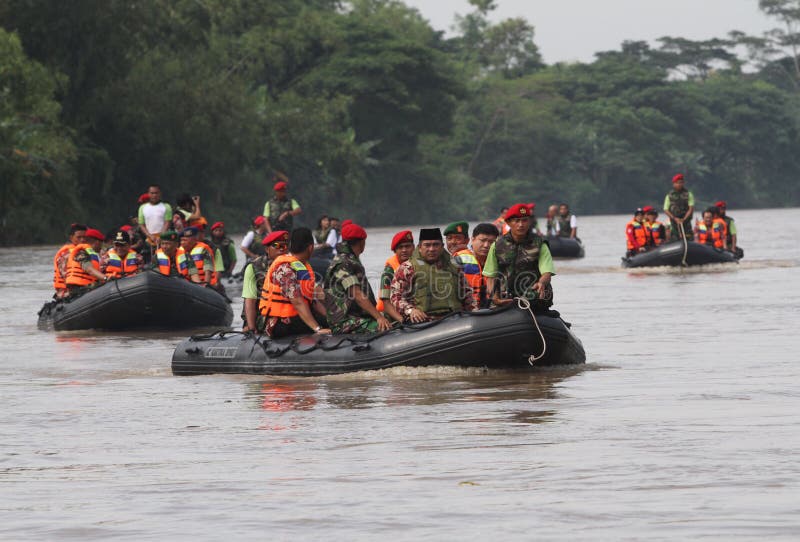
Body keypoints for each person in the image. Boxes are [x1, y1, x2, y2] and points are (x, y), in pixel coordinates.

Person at [390, 228, 477, 323]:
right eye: (427, 245)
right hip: (425, 322)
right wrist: (411, 310)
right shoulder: (407, 268)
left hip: (454, 318)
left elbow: (466, 292)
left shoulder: (453, 265)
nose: (431, 249)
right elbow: (396, 297)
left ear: (442, 246)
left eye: (436, 245)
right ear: (419, 247)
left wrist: (474, 311)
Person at [259, 227, 329, 338]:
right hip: (280, 323)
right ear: (311, 248)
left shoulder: (301, 266)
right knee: (327, 325)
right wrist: (318, 328)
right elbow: (297, 301)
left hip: (297, 318)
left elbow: (314, 297)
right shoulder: (284, 268)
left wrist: (333, 318)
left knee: (333, 323)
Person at [483, 204, 555, 308]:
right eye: (516, 221)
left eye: (524, 220)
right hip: (505, 296)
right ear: (508, 222)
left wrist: (541, 283)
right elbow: (490, 275)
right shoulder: (497, 245)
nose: (521, 224)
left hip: (532, 295)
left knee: (535, 295)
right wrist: (495, 297)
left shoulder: (540, 244)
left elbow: (547, 273)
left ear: (529, 222)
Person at [324, 223, 392, 334]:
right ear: (361, 242)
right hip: (344, 321)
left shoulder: (350, 260)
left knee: (392, 318)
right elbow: (357, 295)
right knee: (384, 327)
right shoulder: (343, 263)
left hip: (357, 316)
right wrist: (379, 317)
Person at [241, 230, 289, 333]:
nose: (281, 249)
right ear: (267, 249)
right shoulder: (254, 267)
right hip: (262, 315)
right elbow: (250, 299)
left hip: (287, 313)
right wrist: (251, 327)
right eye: (276, 245)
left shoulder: (293, 264)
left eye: (284, 246)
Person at [454, 223, 500, 308]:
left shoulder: (500, 260)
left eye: (491, 242)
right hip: (467, 310)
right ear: (473, 239)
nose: (486, 245)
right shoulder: (459, 259)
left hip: (492, 309)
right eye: (482, 240)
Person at [376, 230, 414, 321]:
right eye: (400, 247)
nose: (404, 250)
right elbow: (386, 302)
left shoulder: (418, 266)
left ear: (414, 248)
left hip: (413, 310)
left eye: (407, 246)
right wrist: (402, 320)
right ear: (395, 251)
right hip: (395, 316)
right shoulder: (388, 273)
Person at [65, 228, 108, 295]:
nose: (101, 247)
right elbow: (89, 269)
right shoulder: (81, 252)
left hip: (86, 287)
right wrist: (106, 278)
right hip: (79, 289)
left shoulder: (95, 254)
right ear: (97, 242)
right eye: (101, 243)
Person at [53, 223, 87, 298]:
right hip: (67, 292)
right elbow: (68, 278)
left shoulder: (85, 252)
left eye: (84, 237)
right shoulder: (65, 255)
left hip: (83, 289)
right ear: (71, 238)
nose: (82, 240)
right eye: (79, 237)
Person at [663, 173, 695, 241]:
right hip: (674, 222)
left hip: (686, 222)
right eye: (677, 183)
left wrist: (684, 219)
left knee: (688, 238)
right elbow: (666, 209)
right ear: (673, 184)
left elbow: (691, 208)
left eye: (681, 182)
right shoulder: (669, 196)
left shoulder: (689, 194)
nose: (679, 184)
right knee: (674, 238)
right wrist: (675, 218)